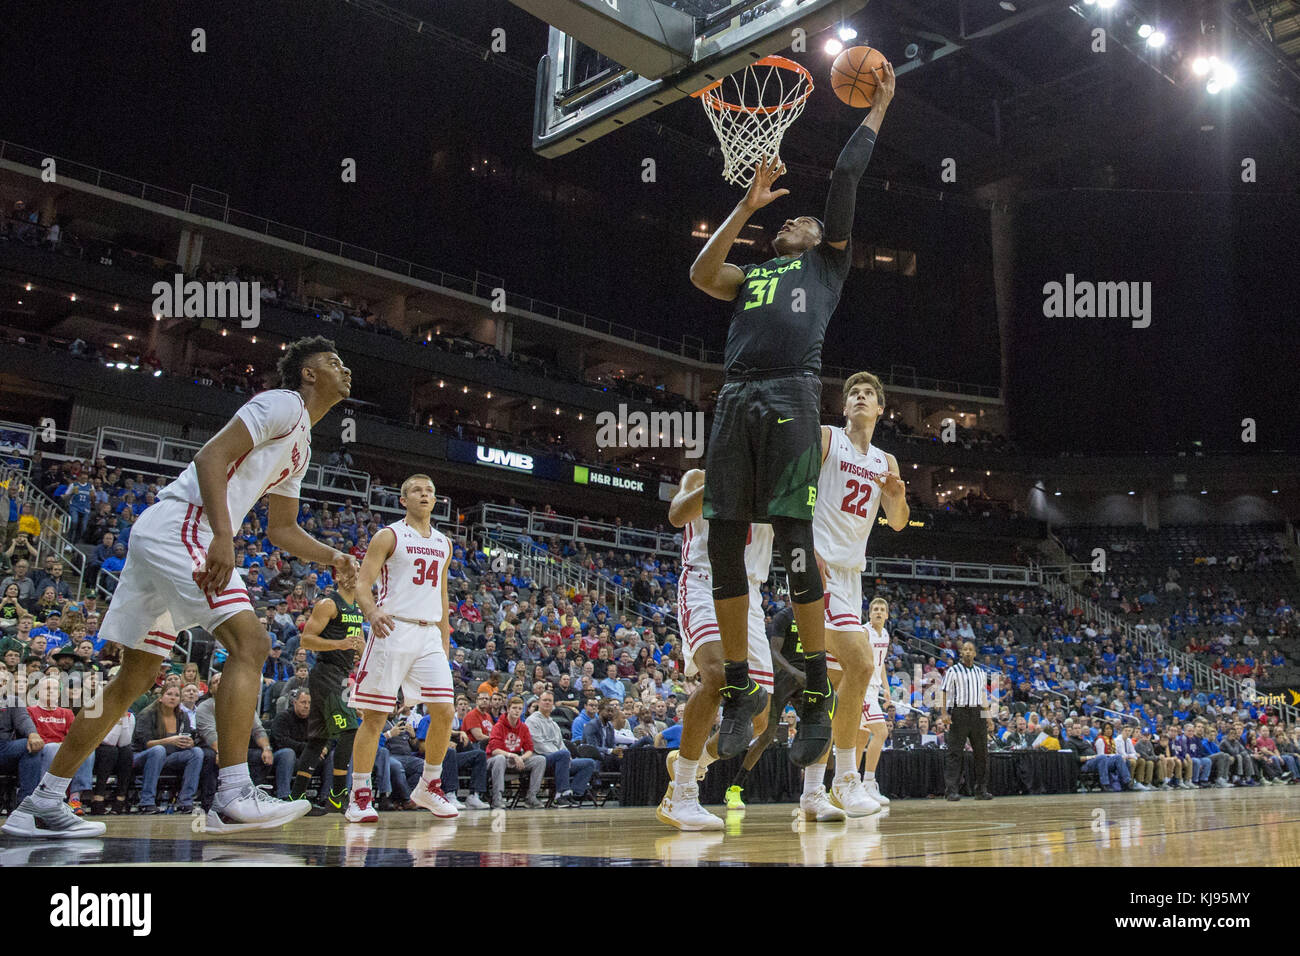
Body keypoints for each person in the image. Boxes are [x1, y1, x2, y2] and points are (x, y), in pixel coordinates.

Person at [4, 336, 359, 839]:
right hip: (185, 525)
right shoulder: (283, 404)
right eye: (333, 360)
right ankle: (233, 792)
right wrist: (220, 535)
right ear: (306, 373)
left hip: (164, 532)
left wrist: (334, 554)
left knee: (131, 679)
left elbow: (282, 530)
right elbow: (210, 458)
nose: (344, 368)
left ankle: (40, 802)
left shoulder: (301, 442)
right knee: (252, 643)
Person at [685, 59, 896, 787]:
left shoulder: (826, 267)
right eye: (787, 218)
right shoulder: (749, 275)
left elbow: (842, 182)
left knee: (796, 536)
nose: (793, 219)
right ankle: (741, 689)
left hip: (792, 397)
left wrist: (879, 108)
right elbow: (699, 275)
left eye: (799, 219)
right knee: (722, 535)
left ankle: (812, 689)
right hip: (736, 396)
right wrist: (745, 207)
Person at [804, 372, 907, 818]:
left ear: (881, 409)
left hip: (851, 575)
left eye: (869, 395)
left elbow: (898, 522)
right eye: (854, 395)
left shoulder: (887, 462)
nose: (861, 398)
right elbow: (795, 487)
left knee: (832, 689)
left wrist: (899, 498)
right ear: (844, 408)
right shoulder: (828, 439)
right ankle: (847, 780)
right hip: (819, 567)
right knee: (862, 664)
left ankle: (812, 793)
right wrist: (804, 549)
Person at [657, 469, 775, 830]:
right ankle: (681, 796)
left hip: (751, 595)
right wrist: (724, 482)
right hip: (703, 581)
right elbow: (677, 514)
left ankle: (692, 763)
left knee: (760, 717)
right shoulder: (700, 475)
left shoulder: (776, 484)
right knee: (717, 676)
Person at [347, 474, 457, 822]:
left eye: (430, 491)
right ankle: (360, 795)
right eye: (417, 491)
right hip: (392, 627)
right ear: (402, 500)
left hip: (428, 634)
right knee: (376, 716)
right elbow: (363, 585)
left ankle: (429, 784)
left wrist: (444, 637)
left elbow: (442, 594)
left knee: (444, 710)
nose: (424, 495)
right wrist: (372, 611)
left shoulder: (444, 543)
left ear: (435, 500)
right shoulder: (389, 535)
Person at [287, 583, 366, 814]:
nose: (355, 573)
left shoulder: (357, 609)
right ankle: (338, 795)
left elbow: (359, 642)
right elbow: (306, 640)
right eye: (349, 568)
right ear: (340, 575)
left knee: (318, 739)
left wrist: (366, 657)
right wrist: (338, 645)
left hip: (340, 674)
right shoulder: (329, 604)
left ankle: (296, 798)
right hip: (326, 672)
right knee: (350, 729)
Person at [724, 595, 805, 810]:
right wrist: (795, 672)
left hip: (807, 679)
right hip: (783, 677)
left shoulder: (818, 617)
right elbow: (775, 652)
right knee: (767, 735)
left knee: (822, 728)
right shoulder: (784, 616)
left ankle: (823, 789)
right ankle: (734, 788)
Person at [940, 642, 994, 801]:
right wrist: (944, 713)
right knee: (955, 752)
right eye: (965, 649)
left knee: (982, 753)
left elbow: (983, 696)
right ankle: (951, 790)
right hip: (960, 712)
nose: (968, 652)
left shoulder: (980, 672)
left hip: (977, 713)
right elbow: (943, 692)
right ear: (961, 653)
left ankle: (981, 790)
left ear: (975, 653)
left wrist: (988, 718)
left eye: (971, 649)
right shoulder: (953, 671)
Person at [854, 597, 895, 808]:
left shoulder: (885, 634)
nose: (878, 612)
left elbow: (881, 665)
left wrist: (886, 687)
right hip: (862, 690)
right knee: (881, 732)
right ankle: (868, 783)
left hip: (874, 689)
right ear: (869, 614)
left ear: (887, 615)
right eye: (875, 609)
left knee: (861, 740)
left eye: (882, 609)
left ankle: (852, 784)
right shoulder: (864, 632)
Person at [526, 691, 595, 807]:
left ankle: (572, 794)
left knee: (588, 763)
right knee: (563, 754)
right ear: (538, 702)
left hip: (561, 760)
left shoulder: (553, 723)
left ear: (553, 704)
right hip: (542, 759)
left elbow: (561, 744)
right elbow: (537, 744)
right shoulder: (532, 721)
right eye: (545, 700)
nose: (547, 703)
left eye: (550, 701)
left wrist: (568, 756)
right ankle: (560, 795)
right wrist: (562, 754)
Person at [487, 697, 546, 809]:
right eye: (514, 708)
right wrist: (513, 755)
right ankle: (497, 798)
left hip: (516, 759)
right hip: (496, 760)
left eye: (520, 708)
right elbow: (494, 750)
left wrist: (521, 758)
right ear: (508, 709)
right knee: (500, 758)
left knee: (540, 760)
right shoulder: (498, 726)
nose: (517, 711)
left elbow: (529, 749)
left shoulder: (523, 727)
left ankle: (531, 797)